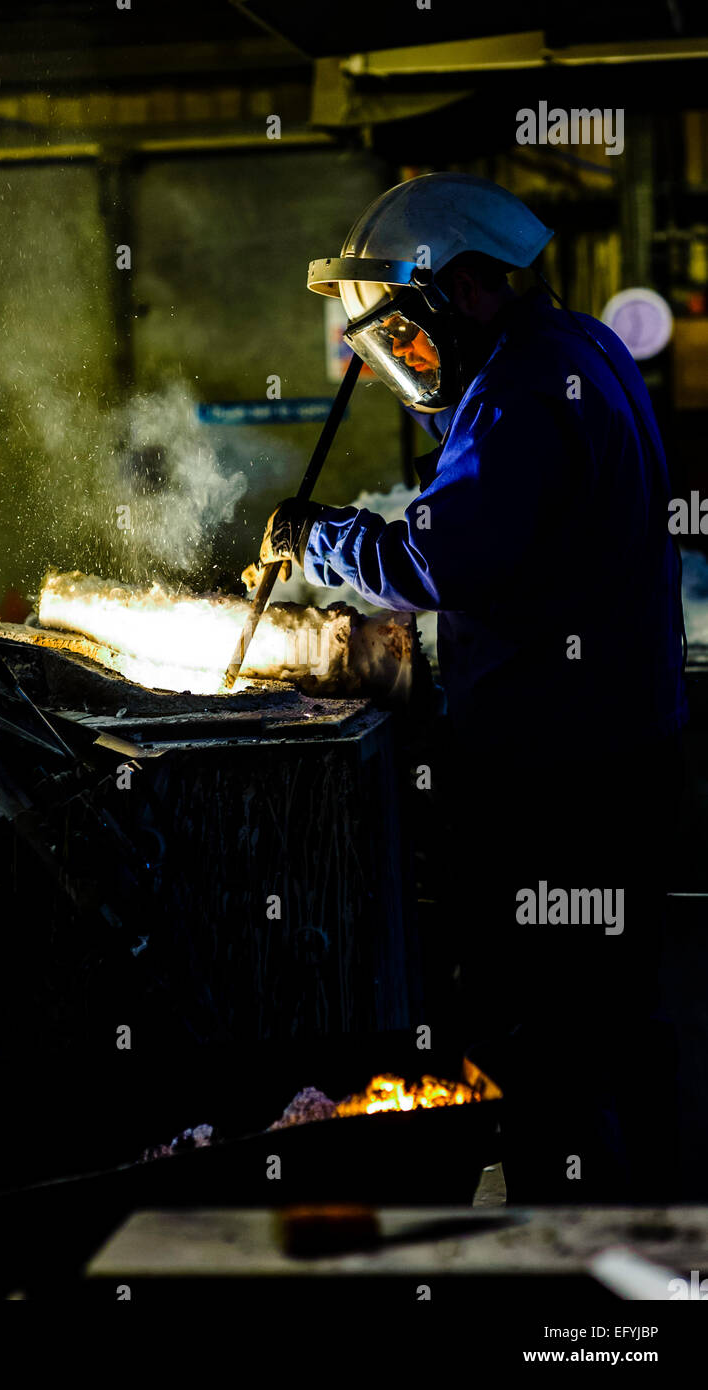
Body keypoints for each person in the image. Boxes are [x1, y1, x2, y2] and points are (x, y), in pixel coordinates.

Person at [248, 173, 688, 1202]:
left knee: (549, 1032)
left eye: (406, 328)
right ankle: (646, 1232)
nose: (404, 356)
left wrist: (320, 537)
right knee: (612, 1018)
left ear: (464, 291)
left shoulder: (526, 388)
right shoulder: (574, 349)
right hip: (611, 748)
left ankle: (570, 1256)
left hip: (564, 773)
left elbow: (443, 559)